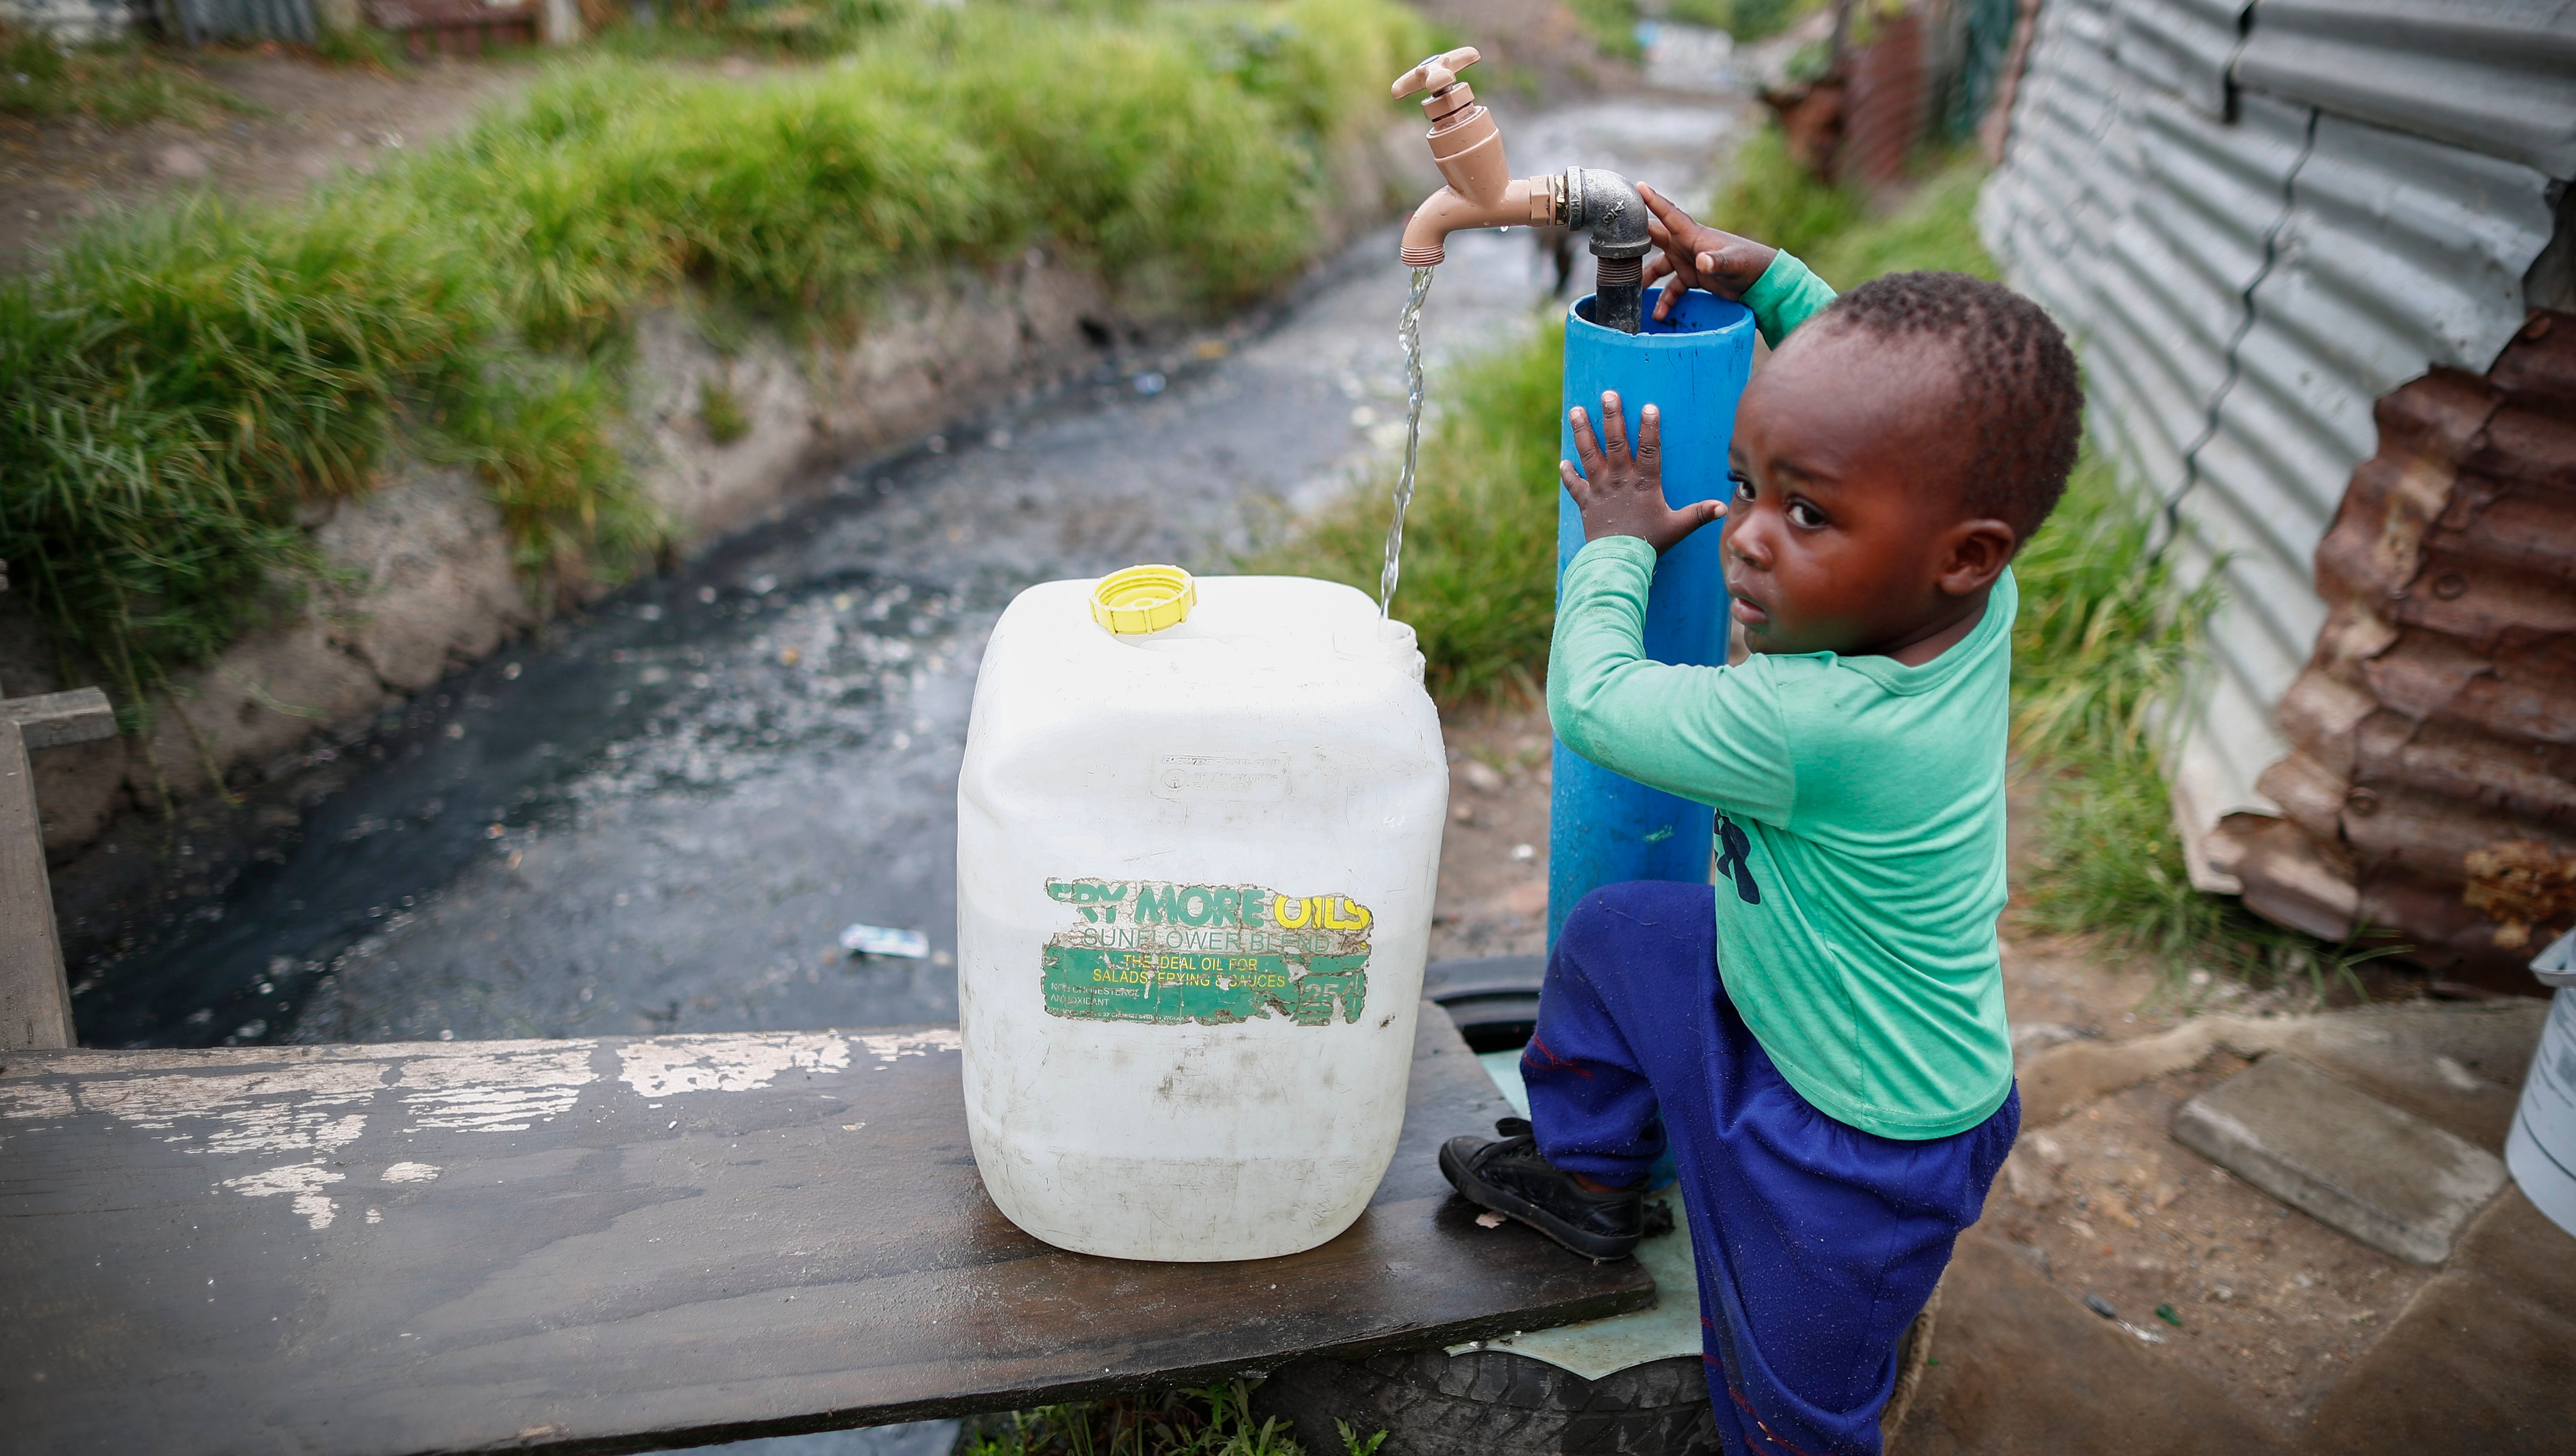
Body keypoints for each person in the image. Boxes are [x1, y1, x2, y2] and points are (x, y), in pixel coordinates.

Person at [1438, 182, 2084, 1453]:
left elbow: (1597, 701)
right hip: (1774, 1005)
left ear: (1962, 552)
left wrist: (1614, 543)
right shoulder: (1965, 606)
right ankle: (1586, 1182)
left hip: (1855, 1154)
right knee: (1624, 930)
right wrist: (1773, 280)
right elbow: (1892, 424)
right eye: (1744, 486)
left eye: (1805, 516)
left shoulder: (1824, 728)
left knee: (1783, 1409)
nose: (1742, 541)